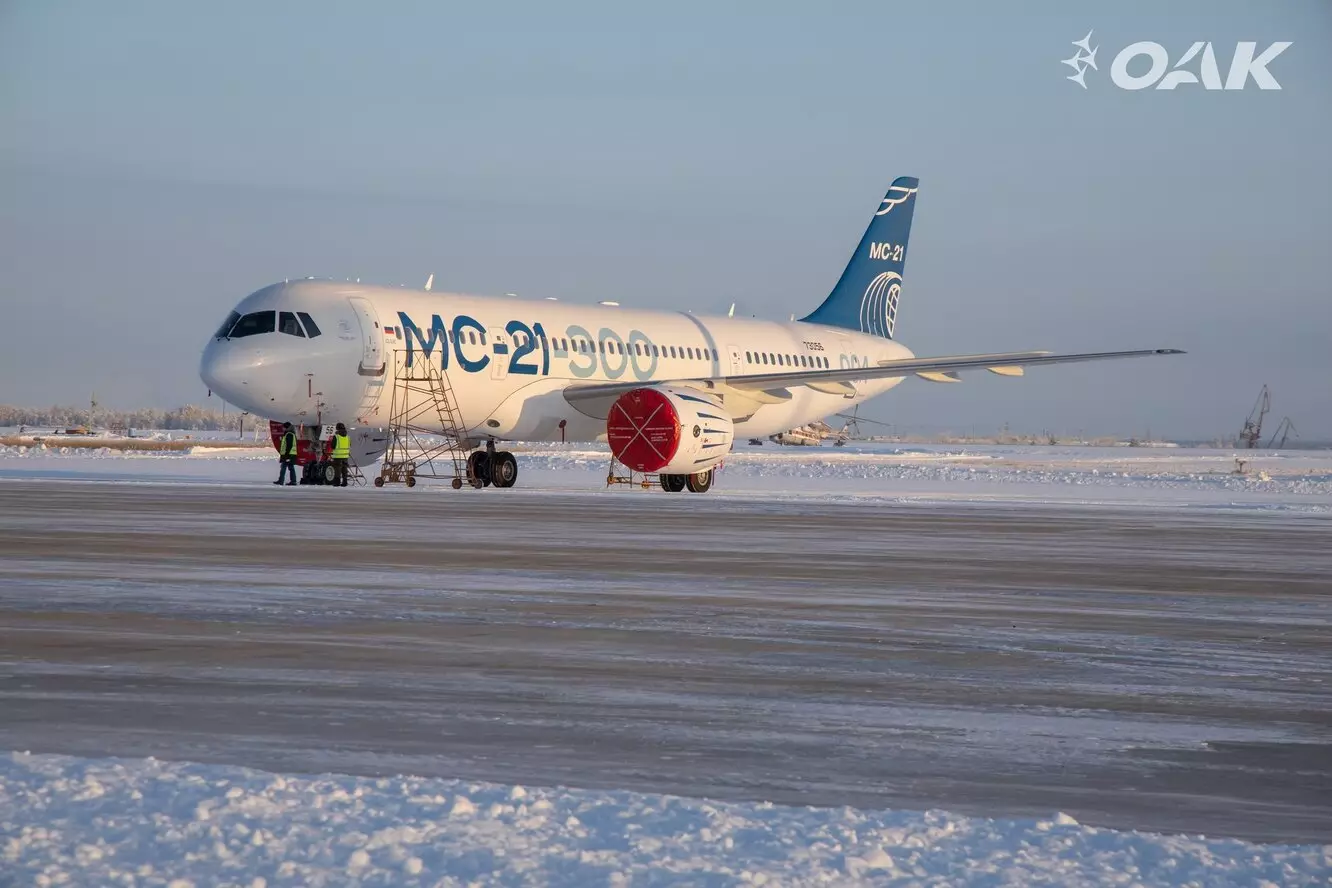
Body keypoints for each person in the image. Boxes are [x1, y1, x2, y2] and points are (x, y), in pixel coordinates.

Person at [275, 422, 298, 486]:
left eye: (284, 427)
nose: (283, 428)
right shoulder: (290, 434)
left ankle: (281, 481)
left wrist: (287, 456)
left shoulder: (289, 434)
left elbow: (289, 446)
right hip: (290, 454)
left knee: (283, 468)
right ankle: (293, 481)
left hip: (288, 454)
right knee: (290, 467)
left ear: (287, 428)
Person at [330, 422, 351, 487]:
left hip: (338, 456)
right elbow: (349, 445)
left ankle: (337, 483)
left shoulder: (336, 437)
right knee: (344, 469)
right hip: (345, 456)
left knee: (337, 470)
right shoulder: (348, 437)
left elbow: (333, 446)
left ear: (337, 428)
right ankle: (345, 482)